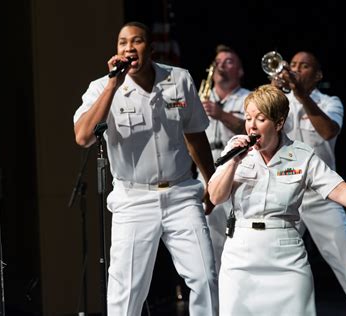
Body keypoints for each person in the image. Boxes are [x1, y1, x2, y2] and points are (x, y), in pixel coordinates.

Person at [208, 84, 346, 315]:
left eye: (260, 119)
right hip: (240, 257)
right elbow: (215, 196)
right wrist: (234, 161)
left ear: (278, 123)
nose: (251, 125)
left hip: (285, 257)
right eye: (248, 118)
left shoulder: (301, 155)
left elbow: (338, 188)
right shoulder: (236, 149)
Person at [73, 21, 218, 316]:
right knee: (126, 292)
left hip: (181, 194)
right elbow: (83, 137)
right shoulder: (102, 87)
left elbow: (195, 136)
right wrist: (114, 85)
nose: (128, 47)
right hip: (133, 199)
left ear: (150, 49)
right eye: (122, 42)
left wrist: (211, 183)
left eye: (136, 41)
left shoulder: (179, 79)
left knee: (206, 278)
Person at [271, 50, 346, 315]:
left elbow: (328, 131)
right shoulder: (279, 102)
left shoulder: (330, 102)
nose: (294, 69)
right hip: (285, 194)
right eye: (292, 64)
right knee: (276, 263)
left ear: (317, 75)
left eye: (303, 66)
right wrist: (271, 95)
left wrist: (300, 95)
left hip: (321, 195)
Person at [199, 44, 250, 273]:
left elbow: (250, 131)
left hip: (236, 171)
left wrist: (220, 114)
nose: (221, 65)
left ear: (239, 71)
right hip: (203, 169)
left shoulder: (248, 98)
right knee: (208, 242)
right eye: (218, 61)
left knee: (236, 237)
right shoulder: (201, 96)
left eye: (228, 61)